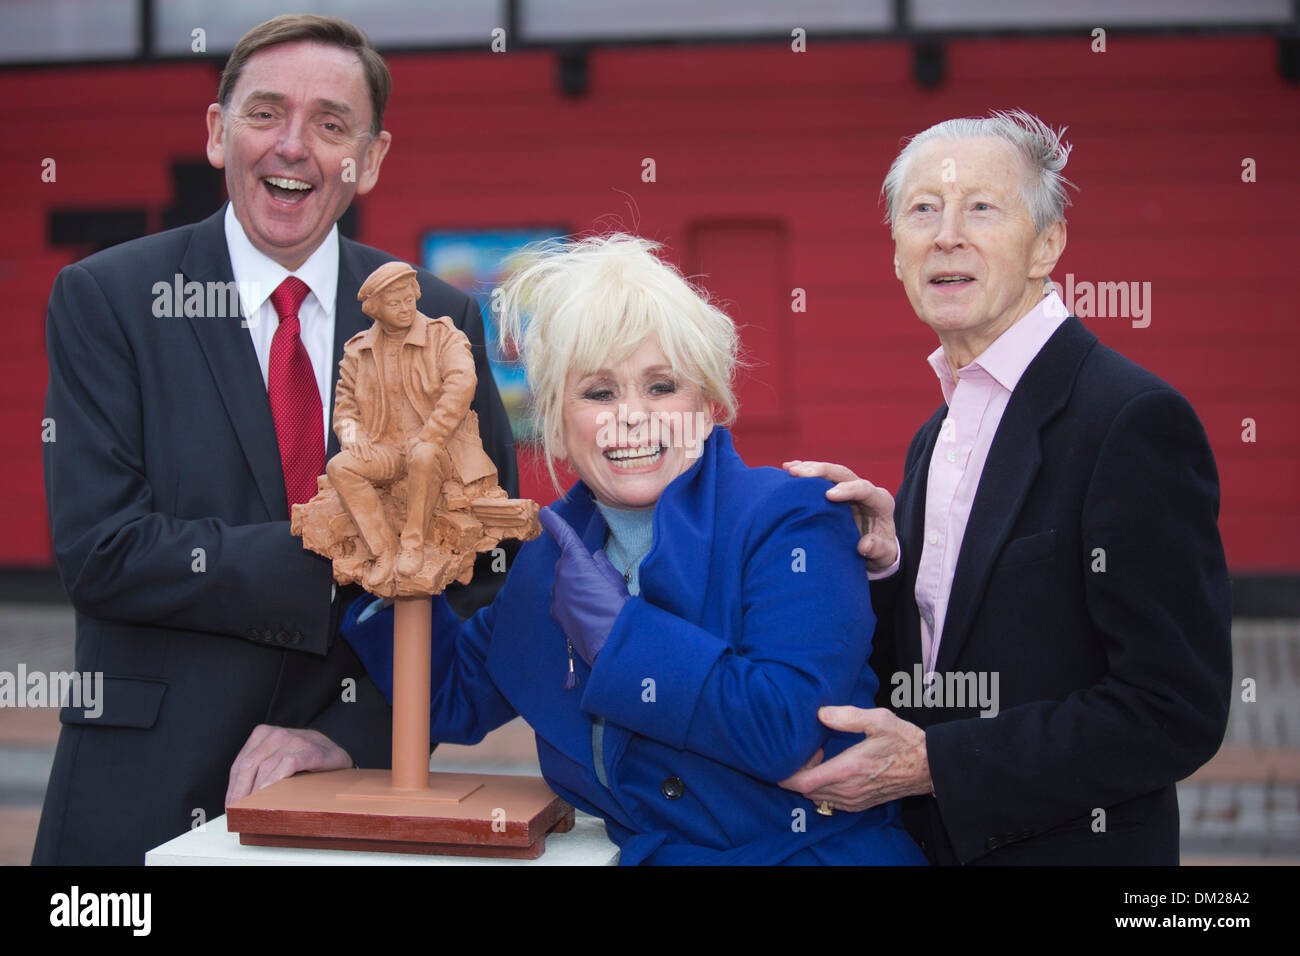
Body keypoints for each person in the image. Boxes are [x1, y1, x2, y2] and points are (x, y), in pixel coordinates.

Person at [34, 15, 517, 865]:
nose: (293, 146)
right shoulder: (106, 299)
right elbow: (102, 550)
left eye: (331, 124)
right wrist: (345, 544)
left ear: (368, 159)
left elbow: (484, 569)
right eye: (265, 114)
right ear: (219, 135)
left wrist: (353, 731)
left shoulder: (442, 318)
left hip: (358, 787)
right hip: (137, 791)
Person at [341, 234, 927, 865]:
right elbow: (449, 699)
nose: (631, 417)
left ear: (709, 407)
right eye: (598, 393)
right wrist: (389, 563)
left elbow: (785, 730)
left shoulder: (795, 518)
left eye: (661, 386)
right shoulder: (547, 558)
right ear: (558, 425)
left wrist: (620, 634)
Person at [780, 110, 1232, 864]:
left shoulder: (1131, 420)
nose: (946, 234)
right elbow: (943, 668)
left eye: (981, 208)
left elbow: (1175, 708)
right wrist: (886, 564)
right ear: (896, 253)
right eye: (922, 210)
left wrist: (935, 765)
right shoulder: (941, 432)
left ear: (1047, 246)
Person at [328, 262, 499, 589]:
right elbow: (344, 405)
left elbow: (462, 384)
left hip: (439, 449)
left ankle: (413, 543)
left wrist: (430, 436)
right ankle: (383, 550)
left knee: (421, 457)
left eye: (409, 299)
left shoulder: (443, 336)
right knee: (341, 467)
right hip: (384, 449)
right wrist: (353, 436)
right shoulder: (359, 350)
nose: (405, 308)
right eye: (394, 303)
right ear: (375, 309)